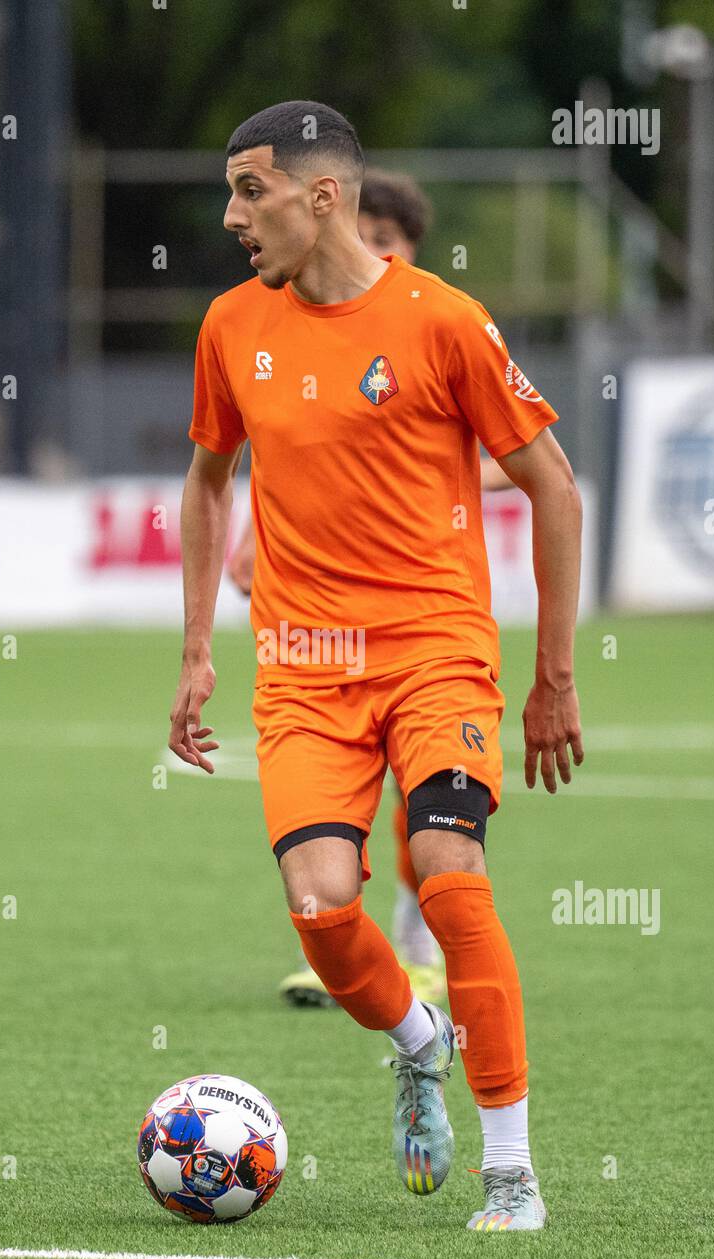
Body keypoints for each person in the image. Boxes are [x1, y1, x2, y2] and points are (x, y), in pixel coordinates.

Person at [169, 102, 583, 1231]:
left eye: (249, 190)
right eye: (229, 191)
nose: (231, 216)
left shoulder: (442, 321)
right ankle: (415, 1039)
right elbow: (207, 481)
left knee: (447, 873)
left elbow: (552, 485)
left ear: (322, 196)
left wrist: (552, 677)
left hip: (434, 653)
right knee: (320, 909)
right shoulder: (230, 327)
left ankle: (511, 1171)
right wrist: (198, 646)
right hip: (303, 671)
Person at [228, 168, 515, 1009]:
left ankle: (420, 949)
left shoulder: (439, 322)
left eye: (390, 242)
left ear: (413, 247)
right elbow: (294, 456)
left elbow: (519, 456)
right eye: (368, 235)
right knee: (329, 808)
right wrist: (250, 537)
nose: (374, 253)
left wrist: (436, 484)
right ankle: (346, 945)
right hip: (321, 631)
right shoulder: (290, 324)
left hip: (424, 612)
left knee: (425, 811)